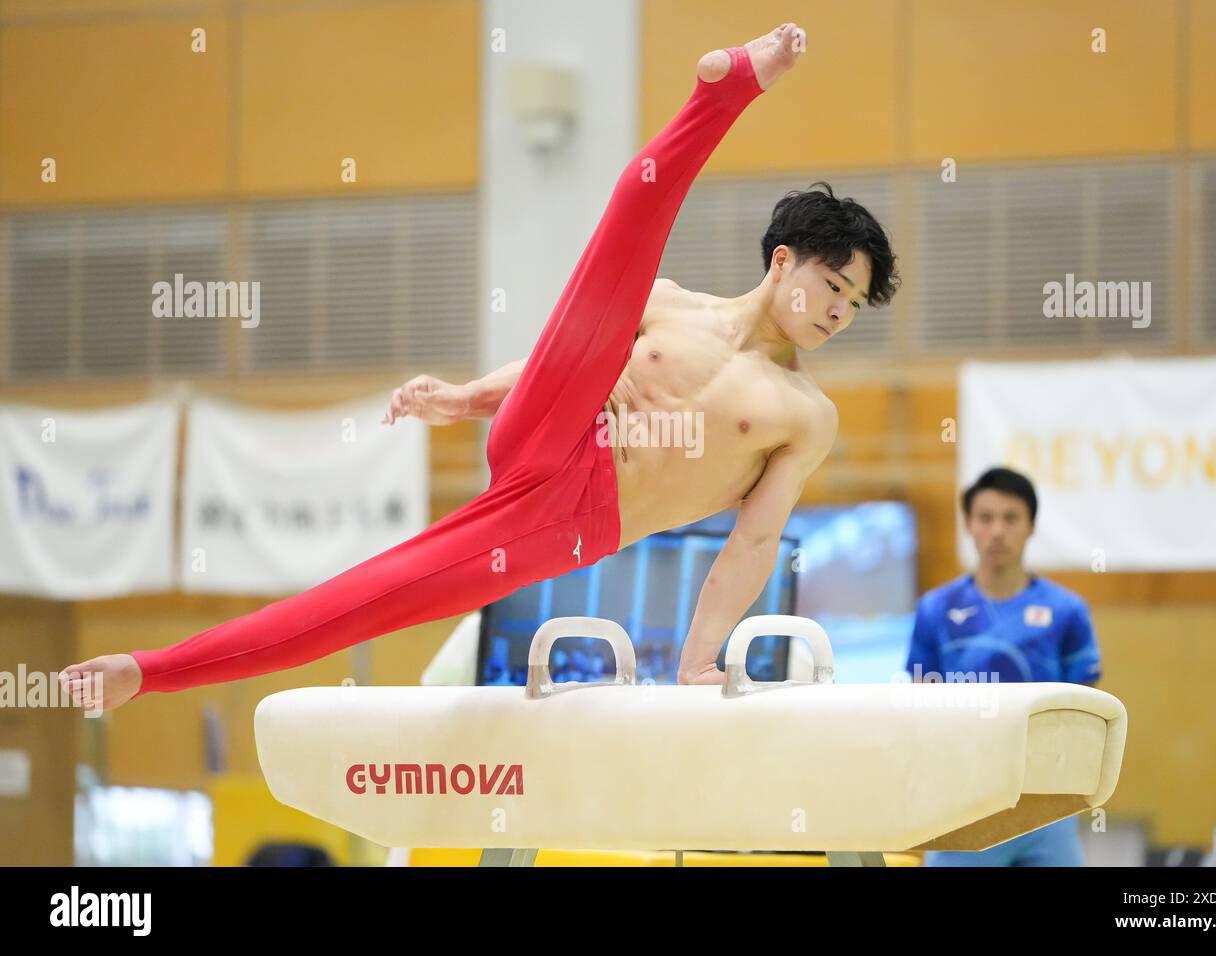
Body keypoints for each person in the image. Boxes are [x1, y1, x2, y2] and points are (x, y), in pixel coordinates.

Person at [60, 23, 900, 712]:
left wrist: (696, 660)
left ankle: (150, 668)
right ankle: (722, 94)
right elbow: (557, 359)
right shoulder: (673, 306)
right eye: (833, 285)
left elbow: (753, 545)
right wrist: (464, 398)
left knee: (361, 600)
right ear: (784, 260)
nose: (837, 311)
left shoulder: (803, 414)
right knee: (626, 242)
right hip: (546, 427)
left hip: (567, 517)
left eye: (854, 305)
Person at [907, 466, 1102, 866]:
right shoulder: (935, 610)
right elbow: (918, 709)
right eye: (985, 518)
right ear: (968, 525)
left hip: (1047, 807)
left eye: (1010, 518)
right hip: (964, 805)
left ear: (1031, 526)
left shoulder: (1067, 612)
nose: (997, 531)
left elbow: (1086, 716)